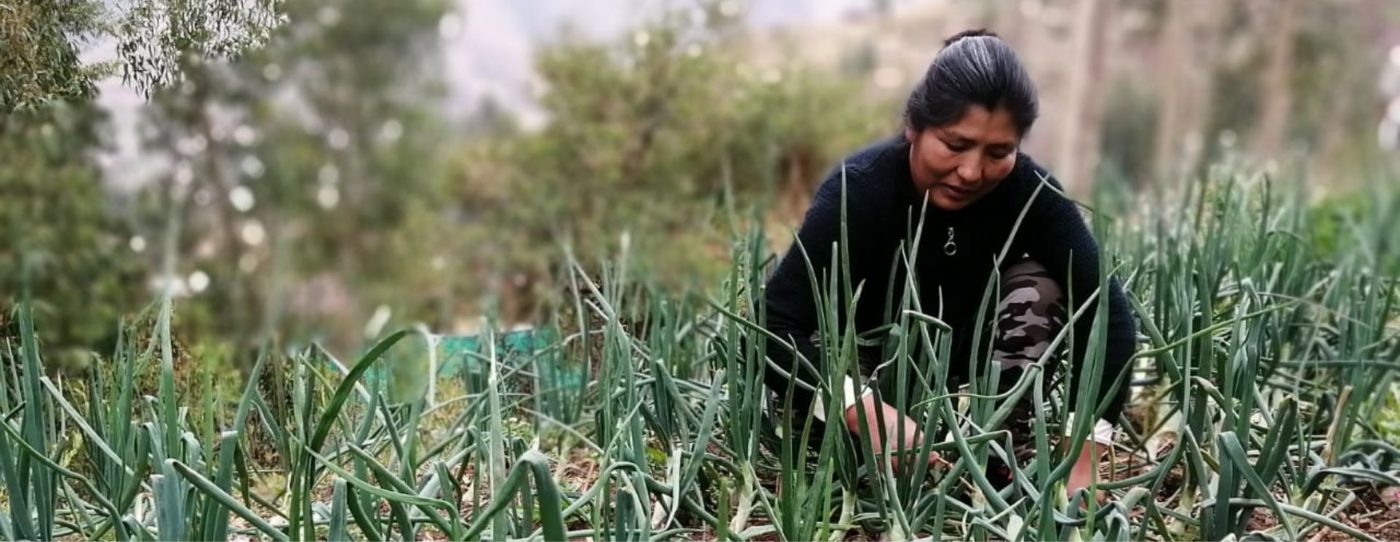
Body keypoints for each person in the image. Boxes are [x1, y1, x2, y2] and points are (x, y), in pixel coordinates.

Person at [760, 29, 1137, 497]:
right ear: (914, 127)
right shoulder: (859, 190)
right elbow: (773, 323)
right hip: (863, 382)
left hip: (966, 381)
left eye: (999, 152)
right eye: (955, 145)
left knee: (1040, 284)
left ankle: (996, 440)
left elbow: (1109, 313)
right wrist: (860, 409)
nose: (972, 172)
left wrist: (1086, 448)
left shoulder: (1031, 193)